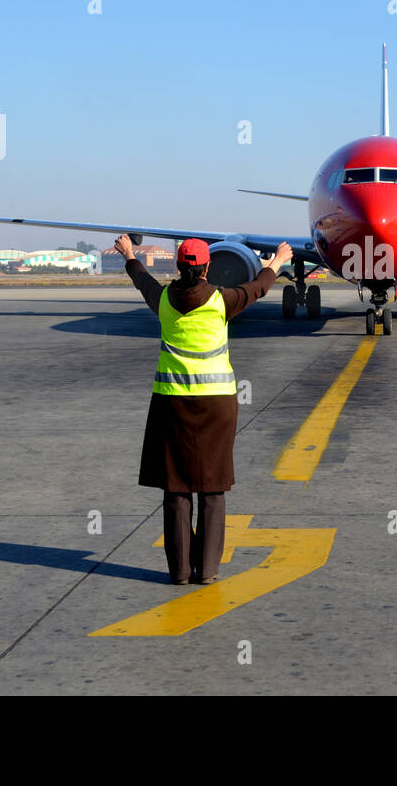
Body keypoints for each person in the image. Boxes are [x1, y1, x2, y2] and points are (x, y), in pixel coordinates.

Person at [115, 234, 293, 585]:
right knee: (212, 487)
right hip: (217, 405)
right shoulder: (221, 301)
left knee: (175, 488)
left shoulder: (163, 298)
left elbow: (142, 281)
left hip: (172, 403)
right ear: (207, 267)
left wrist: (130, 254)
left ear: (179, 266)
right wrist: (277, 262)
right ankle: (208, 570)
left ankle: (179, 572)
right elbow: (257, 288)